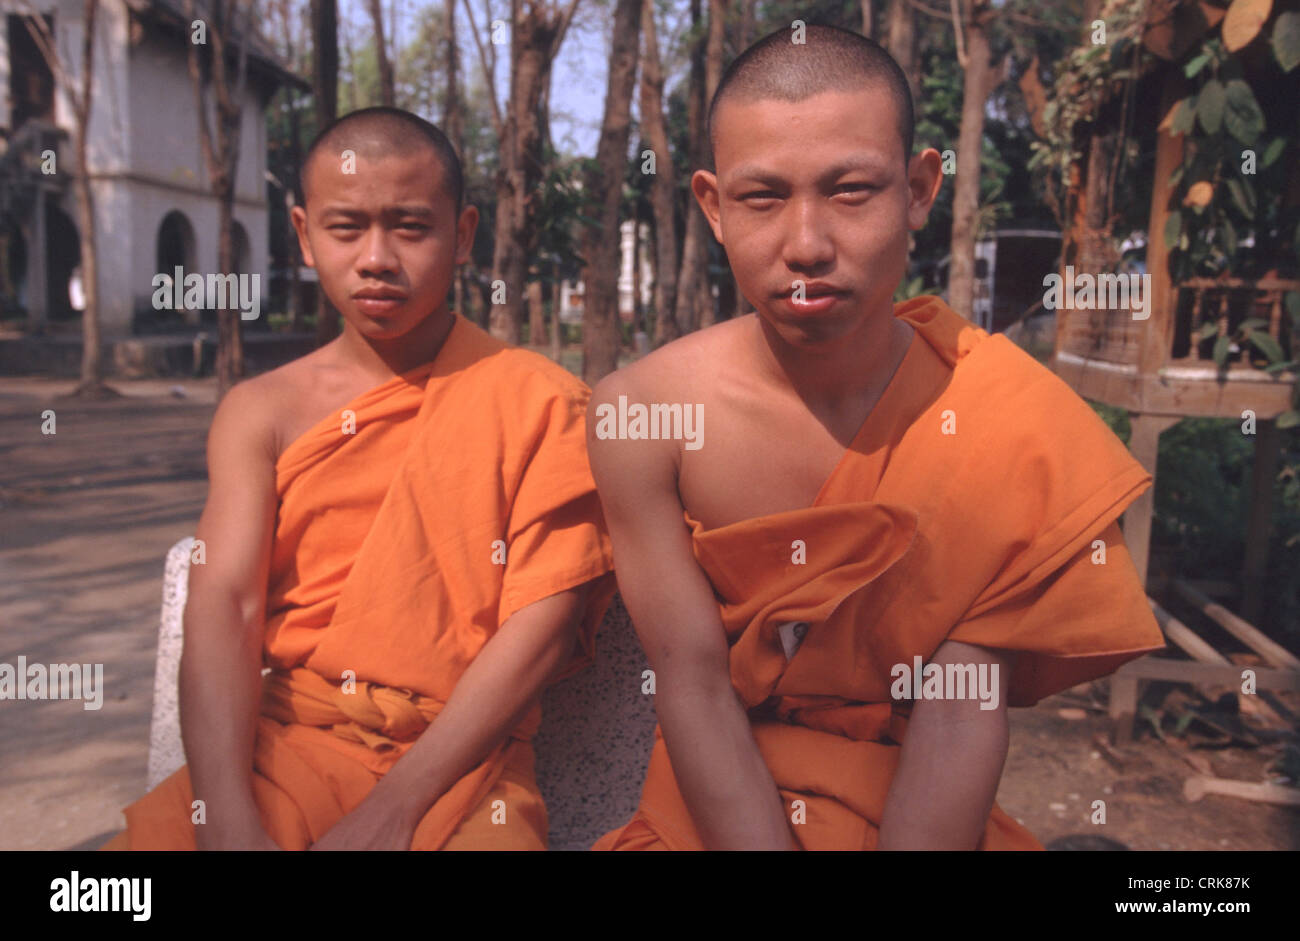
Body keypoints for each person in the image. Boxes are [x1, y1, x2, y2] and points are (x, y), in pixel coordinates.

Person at [588, 25, 1165, 851]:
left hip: (918, 811)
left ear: (921, 188)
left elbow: (963, 706)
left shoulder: (1005, 417)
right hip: (719, 813)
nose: (807, 244)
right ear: (713, 207)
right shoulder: (641, 416)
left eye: (851, 190)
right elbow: (692, 683)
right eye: (762, 197)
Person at [102, 107, 615, 850]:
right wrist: (227, 815)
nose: (377, 257)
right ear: (305, 235)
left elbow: (539, 628)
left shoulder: (541, 402)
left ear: (463, 234)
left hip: (461, 772)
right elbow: (226, 606)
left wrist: (394, 809)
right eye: (347, 228)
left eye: (411, 226)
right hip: (284, 748)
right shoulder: (261, 412)